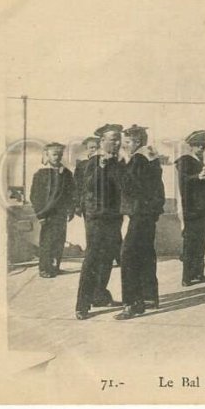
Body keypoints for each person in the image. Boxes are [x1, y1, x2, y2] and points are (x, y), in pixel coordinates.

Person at [115, 125, 165, 319]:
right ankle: (150, 297)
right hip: (149, 213)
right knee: (146, 253)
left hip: (139, 212)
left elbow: (129, 185)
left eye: (127, 142)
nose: (124, 146)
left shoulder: (138, 159)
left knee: (128, 255)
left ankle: (132, 303)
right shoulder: (151, 156)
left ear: (137, 142)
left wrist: (120, 165)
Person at [75, 124, 124, 319]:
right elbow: (87, 186)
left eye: (119, 139)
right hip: (96, 217)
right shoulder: (93, 162)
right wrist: (101, 168)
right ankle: (82, 304)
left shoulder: (118, 162)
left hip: (114, 216)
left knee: (107, 257)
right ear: (102, 141)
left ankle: (99, 295)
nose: (117, 142)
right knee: (93, 258)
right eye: (113, 139)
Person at [30, 142, 75, 279]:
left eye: (60, 155)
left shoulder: (66, 173)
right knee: (47, 242)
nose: (57, 157)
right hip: (47, 214)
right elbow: (35, 196)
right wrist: (40, 214)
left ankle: (55, 267)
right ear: (47, 155)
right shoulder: (41, 174)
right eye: (54, 154)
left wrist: (71, 209)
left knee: (59, 240)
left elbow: (71, 193)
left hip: (60, 213)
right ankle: (44, 268)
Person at [175, 130, 205, 286]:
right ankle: (187, 276)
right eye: (198, 145)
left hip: (204, 206)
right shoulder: (185, 160)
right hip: (192, 208)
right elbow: (183, 180)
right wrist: (198, 177)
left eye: (203, 144)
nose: (201, 147)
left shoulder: (203, 160)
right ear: (191, 146)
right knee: (191, 242)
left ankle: (198, 272)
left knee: (202, 240)